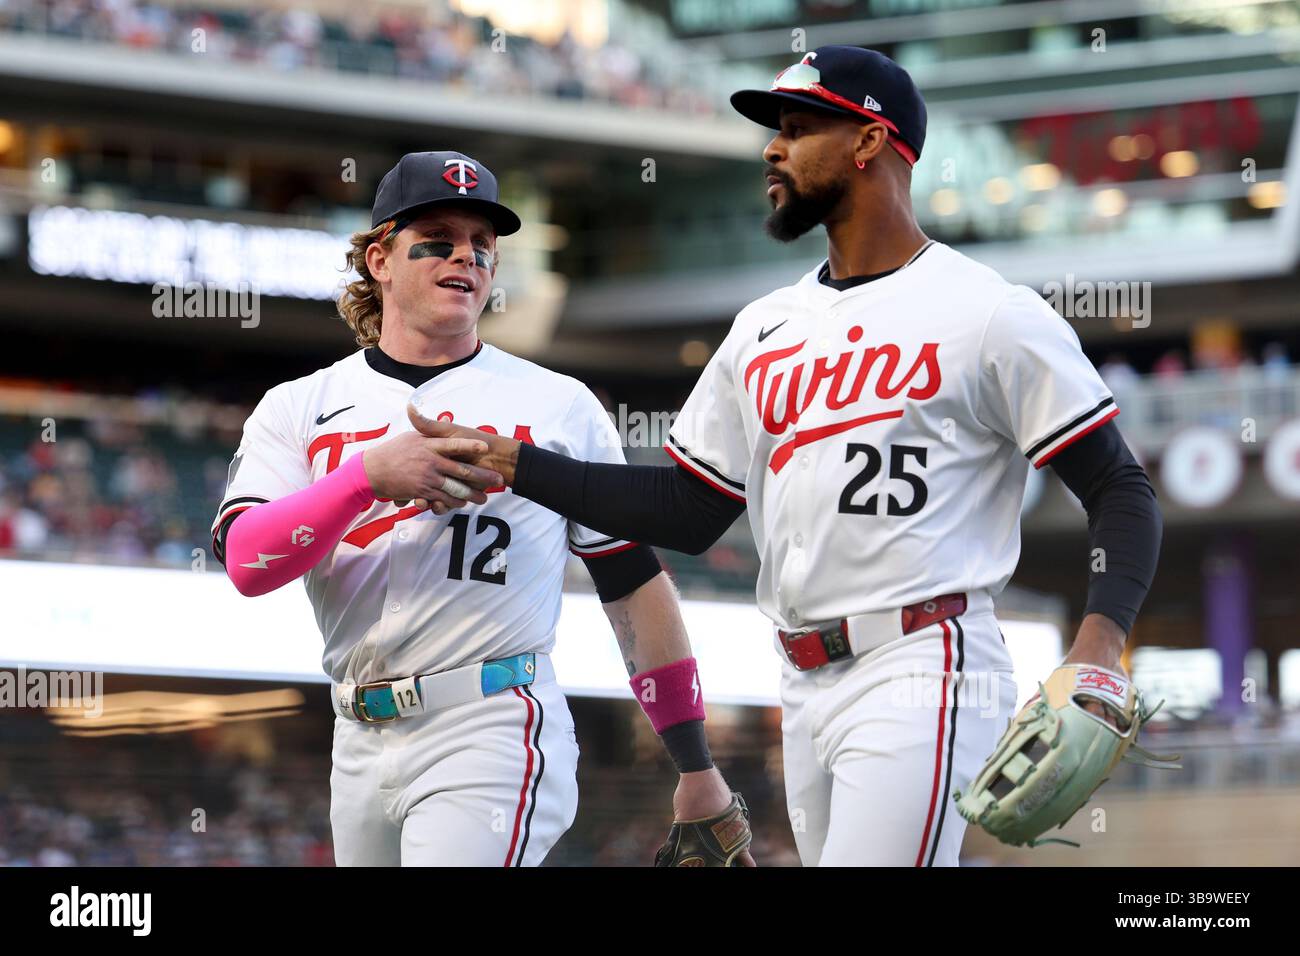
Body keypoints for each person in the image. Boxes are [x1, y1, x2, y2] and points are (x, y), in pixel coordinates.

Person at [408, 50, 1164, 866]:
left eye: (800, 130)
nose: (773, 148)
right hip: (801, 681)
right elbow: (690, 512)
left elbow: (1119, 488)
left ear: (871, 141)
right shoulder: (764, 326)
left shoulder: (988, 312)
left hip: (924, 661)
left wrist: (1096, 650)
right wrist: (522, 465)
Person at [210, 150, 750, 866]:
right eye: (436, 240)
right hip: (358, 733)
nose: (464, 256)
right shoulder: (299, 405)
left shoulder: (555, 403)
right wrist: (366, 476)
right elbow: (249, 563)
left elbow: (631, 582)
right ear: (380, 258)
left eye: (482, 246)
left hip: (492, 720)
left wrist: (694, 763)